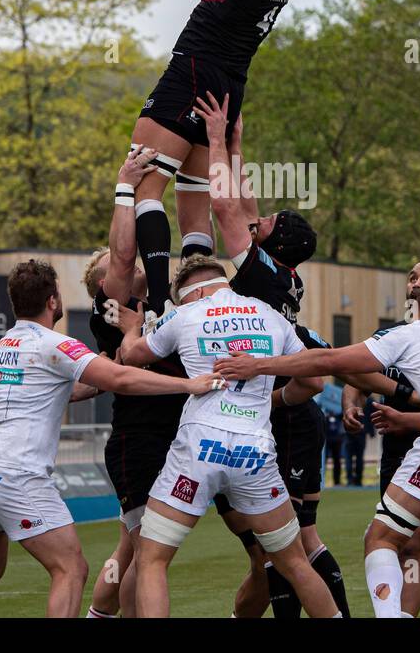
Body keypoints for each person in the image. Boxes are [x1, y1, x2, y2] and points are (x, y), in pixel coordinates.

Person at [216, 280, 420, 618]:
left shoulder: (414, 332)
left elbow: (332, 361)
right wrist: (408, 420)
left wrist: (258, 365)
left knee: (382, 539)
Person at [0, 259, 219, 618]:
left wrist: (101, 374)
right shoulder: (58, 344)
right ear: (54, 301)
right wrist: (188, 384)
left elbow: (62, 391)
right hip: (13, 473)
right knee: (71, 568)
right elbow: (120, 380)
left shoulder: (4, 345)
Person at [127, 0, 306, 316]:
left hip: (194, 72)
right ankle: (196, 299)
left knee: (139, 185)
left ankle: (159, 302)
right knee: (193, 197)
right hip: (227, 88)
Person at [194, 91, 347, 618]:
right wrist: (236, 147)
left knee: (291, 546)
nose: (258, 220)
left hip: (281, 417)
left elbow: (223, 207)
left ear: (271, 244)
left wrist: (215, 139)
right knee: (279, 548)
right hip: (283, 414)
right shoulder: (280, 272)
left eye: (268, 224)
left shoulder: (260, 271)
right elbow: (247, 209)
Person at [117, 255, 339, 618]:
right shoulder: (270, 315)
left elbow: (131, 356)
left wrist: (133, 327)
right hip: (254, 451)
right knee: (295, 563)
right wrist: (273, 400)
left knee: (152, 559)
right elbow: (313, 380)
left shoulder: (185, 314)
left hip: (199, 447)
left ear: (197, 291)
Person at [80, 146, 189, 619]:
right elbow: (123, 254)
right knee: (145, 553)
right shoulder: (110, 311)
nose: (127, 261)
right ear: (102, 286)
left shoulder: (158, 311)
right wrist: (126, 188)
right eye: (115, 266)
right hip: (137, 441)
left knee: (130, 549)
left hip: (171, 439)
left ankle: (97, 616)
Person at [341, 258, 420, 618]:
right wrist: (351, 403)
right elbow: (358, 373)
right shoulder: (392, 334)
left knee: (410, 548)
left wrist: (408, 415)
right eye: (413, 277)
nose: (417, 283)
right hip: (396, 457)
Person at [316, 383, 345, 486]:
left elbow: (343, 414)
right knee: (322, 460)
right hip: (325, 437)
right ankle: (320, 481)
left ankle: (337, 481)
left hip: (336, 437)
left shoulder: (339, 409)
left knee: (337, 460)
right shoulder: (322, 406)